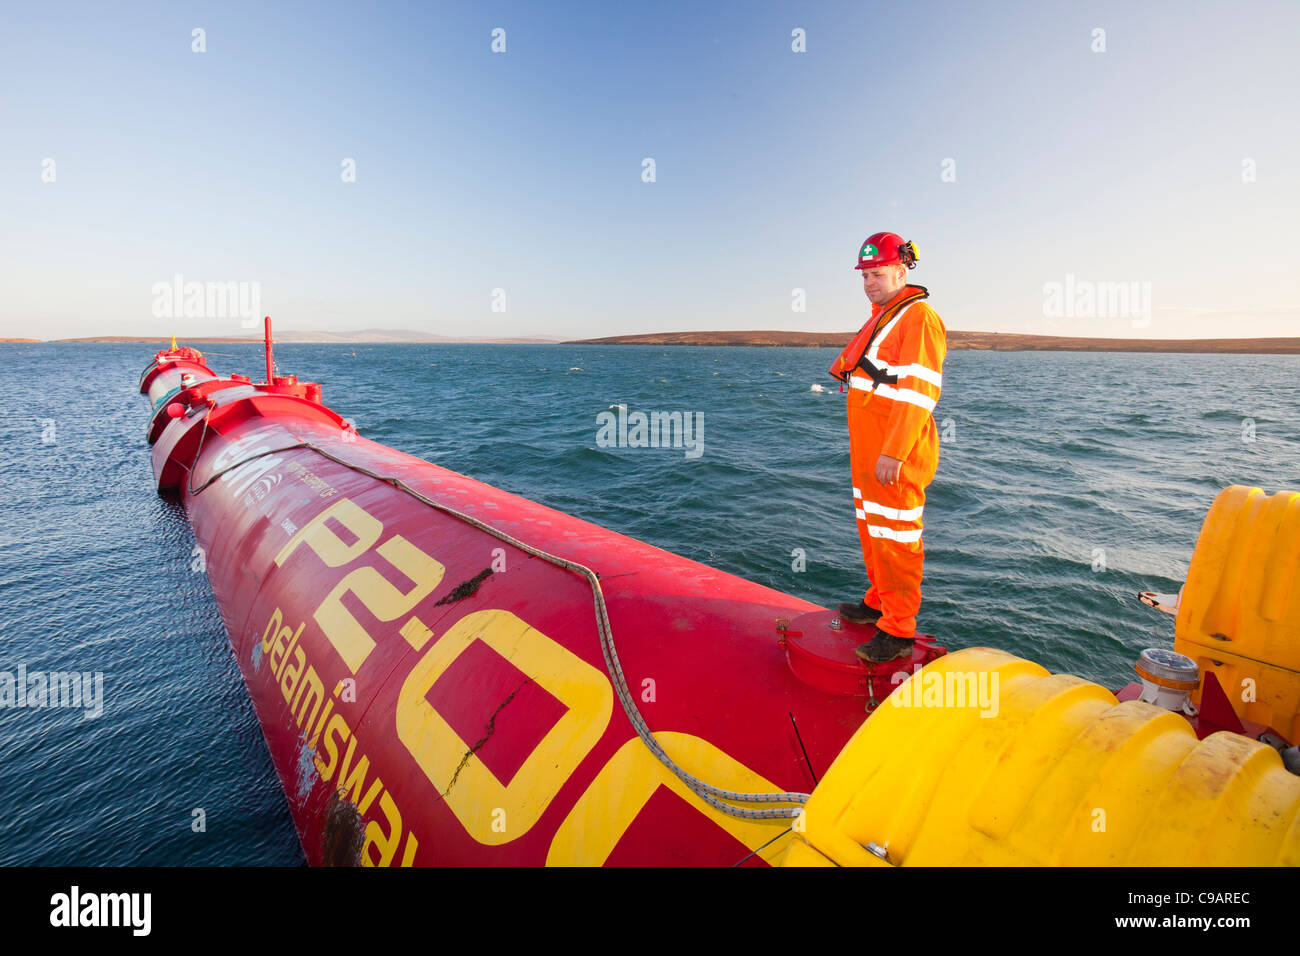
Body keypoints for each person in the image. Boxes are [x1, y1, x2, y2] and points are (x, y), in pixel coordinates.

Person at [827, 233, 946, 662]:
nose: (869, 283)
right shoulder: (885, 316)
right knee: (872, 529)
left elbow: (918, 394)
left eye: (877, 274)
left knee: (896, 537)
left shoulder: (918, 318)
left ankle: (898, 630)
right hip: (870, 450)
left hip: (894, 453)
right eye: (865, 275)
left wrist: (893, 452)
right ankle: (878, 601)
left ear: (902, 270)